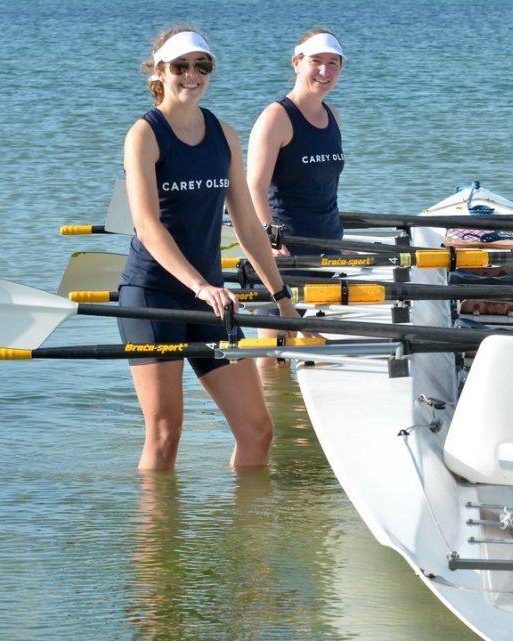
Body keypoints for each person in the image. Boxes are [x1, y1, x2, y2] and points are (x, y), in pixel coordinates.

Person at [118, 27, 302, 470]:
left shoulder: (224, 134)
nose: (192, 75)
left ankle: (246, 534)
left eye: (202, 66)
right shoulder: (144, 135)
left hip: (210, 301)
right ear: (160, 72)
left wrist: (281, 299)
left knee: (258, 431)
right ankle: (156, 539)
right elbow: (146, 226)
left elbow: (248, 226)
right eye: (181, 66)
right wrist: (201, 285)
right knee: (165, 436)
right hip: (153, 297)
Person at [247, 28, 346, 362]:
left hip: (326, 250)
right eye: (316, 61)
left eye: (334, 63)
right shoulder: (276, 117)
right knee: (271, 357)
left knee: (307, 356)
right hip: (283, 256)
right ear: (296, 63)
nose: (325, 71)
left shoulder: (333, 116)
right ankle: (268, 411)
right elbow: (253, 188)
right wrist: (271, 241)